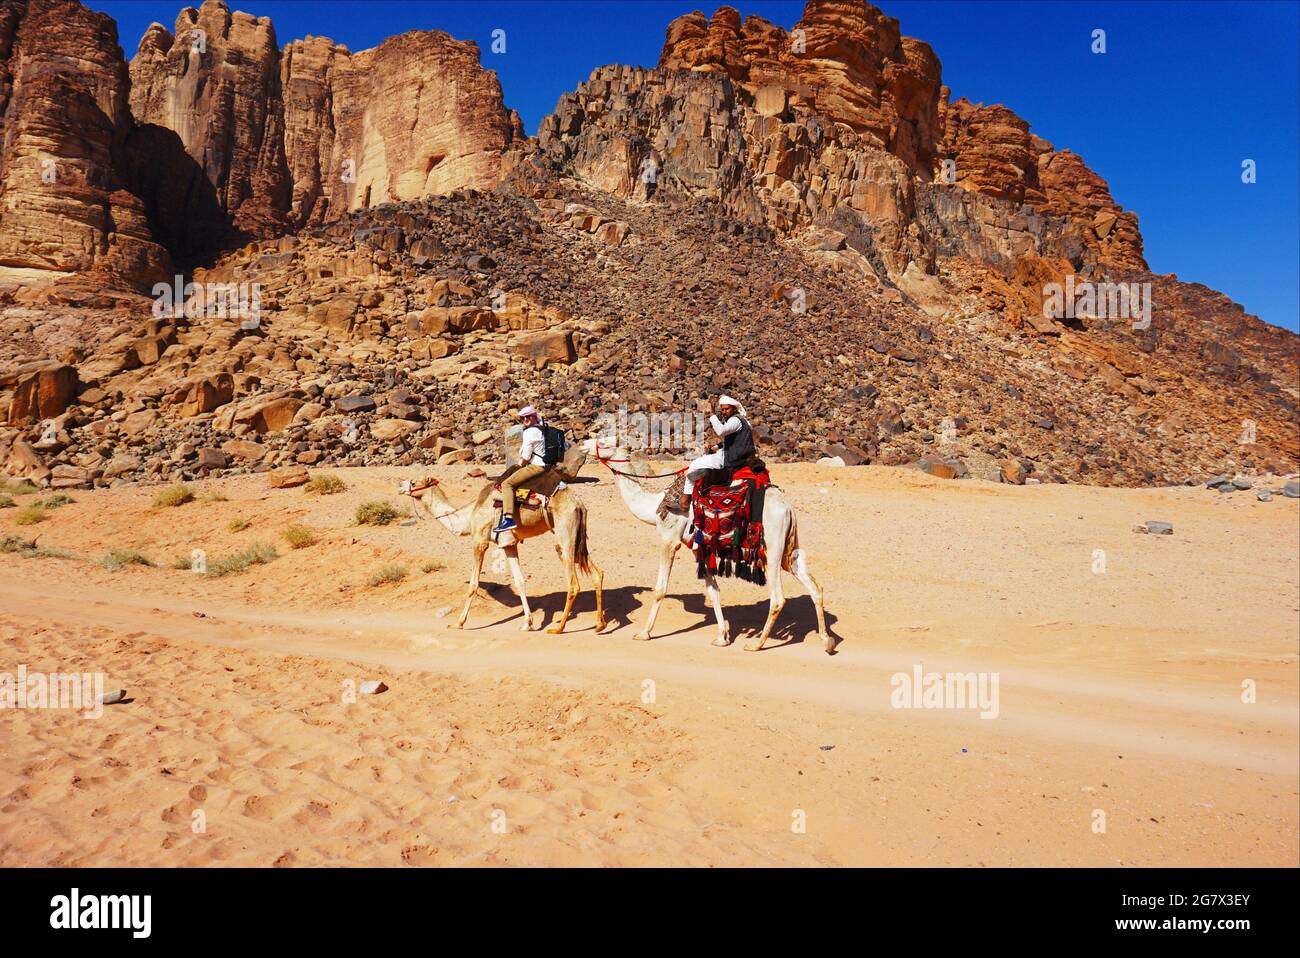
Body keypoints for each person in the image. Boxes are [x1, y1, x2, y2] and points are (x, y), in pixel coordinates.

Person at [680, 395, 755, 511]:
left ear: (734, 409)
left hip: (731, 459)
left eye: (727, 409)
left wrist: (712, 415)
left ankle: (686, 498)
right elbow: (735, 440)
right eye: (723, 409)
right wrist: (718, 446)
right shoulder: (738, 420)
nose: (724, 412)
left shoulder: (736, 420)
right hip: (737, 455)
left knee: (694, 465)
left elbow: (721, 431)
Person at [494, 406, 549, 535]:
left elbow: (525, 457)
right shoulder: (544, 428)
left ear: (534, 416)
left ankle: (508, 519)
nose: (525, 420)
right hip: (547, 465)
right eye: (523, 418)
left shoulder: (530, 432)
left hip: (536, 466)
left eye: (528, 417)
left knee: (506, 484)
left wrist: (518, 466)